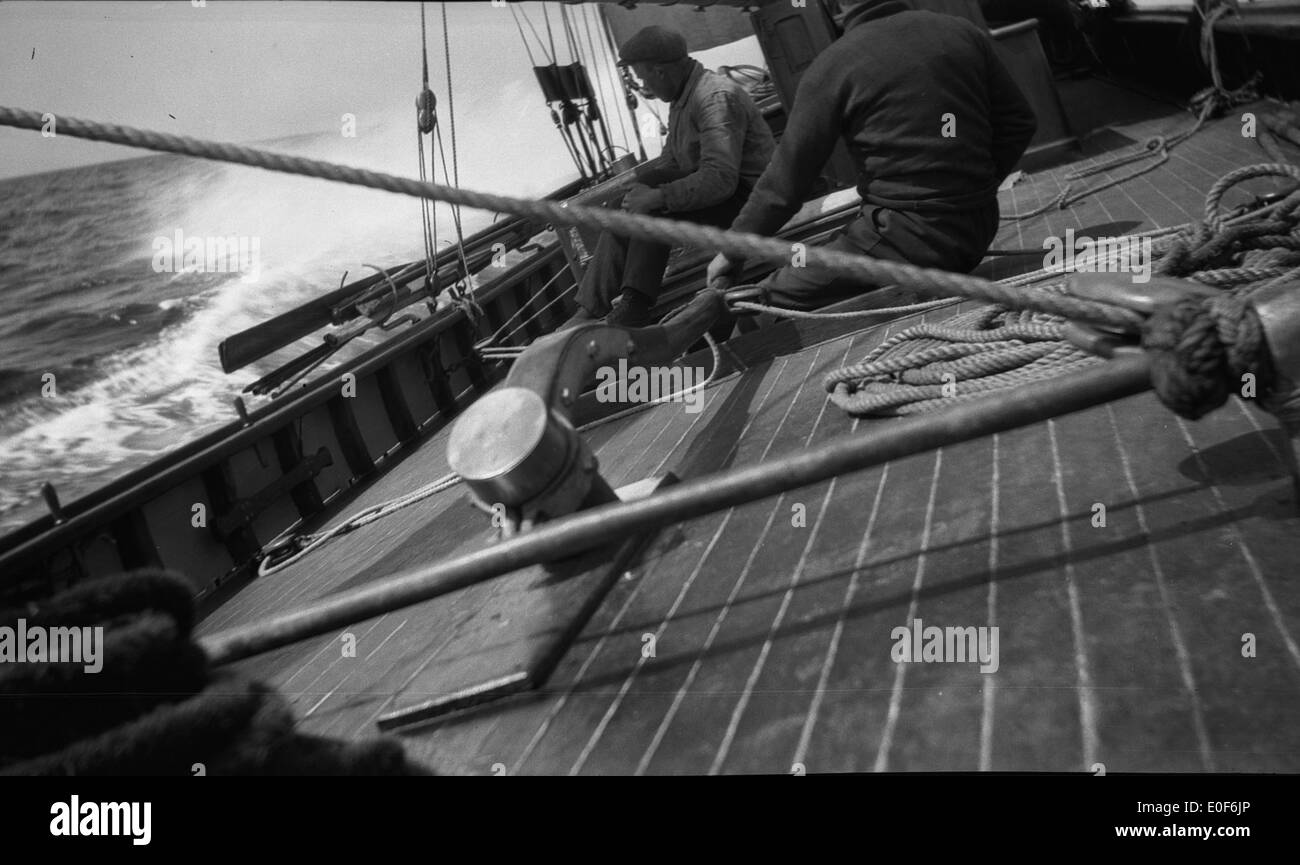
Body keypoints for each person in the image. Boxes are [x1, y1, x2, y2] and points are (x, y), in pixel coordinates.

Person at [707, 0, 1038, 310]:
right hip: (981, 225)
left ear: (834, 6)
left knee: (762, 296)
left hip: (906, 241)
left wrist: (731, 251)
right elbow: (1020, 122)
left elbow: (783, 187)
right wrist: (972, 190)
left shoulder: (832, 67)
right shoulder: (961, 31)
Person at [565, 25, 776, 329]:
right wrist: (633, 193)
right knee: (624, 204)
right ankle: (589, 310)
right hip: (728, 199)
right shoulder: (683, 100)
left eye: (642, 77)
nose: (643, 85)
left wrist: (658, 196)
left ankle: (635, 304)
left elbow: (720, 180)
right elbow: (670, 162)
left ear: (660, 72)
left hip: (751, 202)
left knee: (654, 202)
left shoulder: (714, 97)